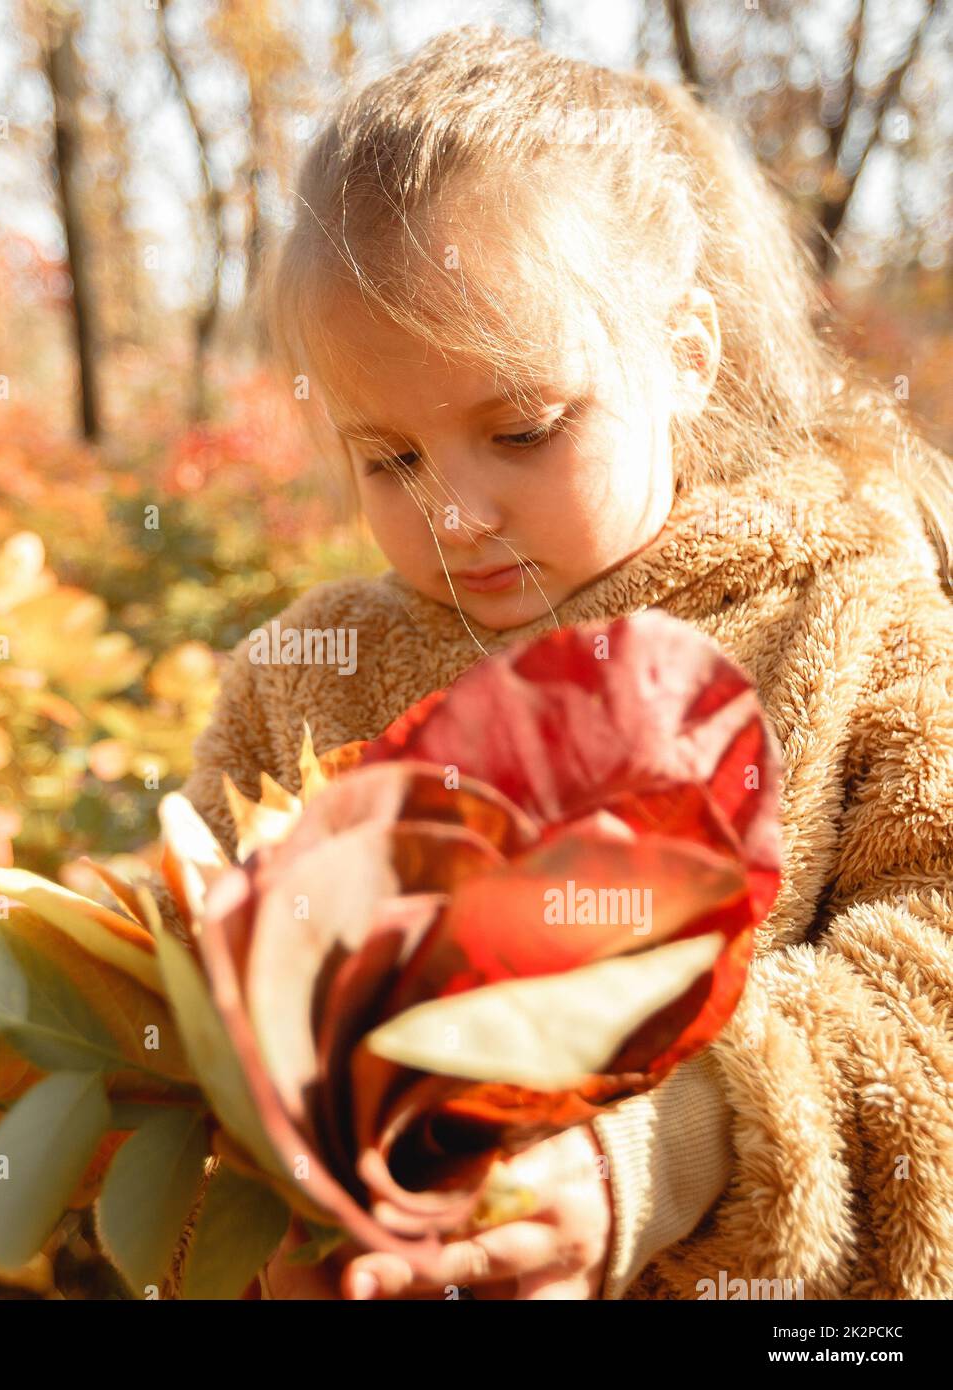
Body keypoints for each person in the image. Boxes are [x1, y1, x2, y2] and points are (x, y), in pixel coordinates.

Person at [175, 24, 953, 1299]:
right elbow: (185, 993)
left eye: (521, 430)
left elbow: (930, 1000)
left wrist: (662, 1150)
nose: (455, 511)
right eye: (390, 459)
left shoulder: (859, 627)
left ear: (685, 356)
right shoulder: (305, 678)